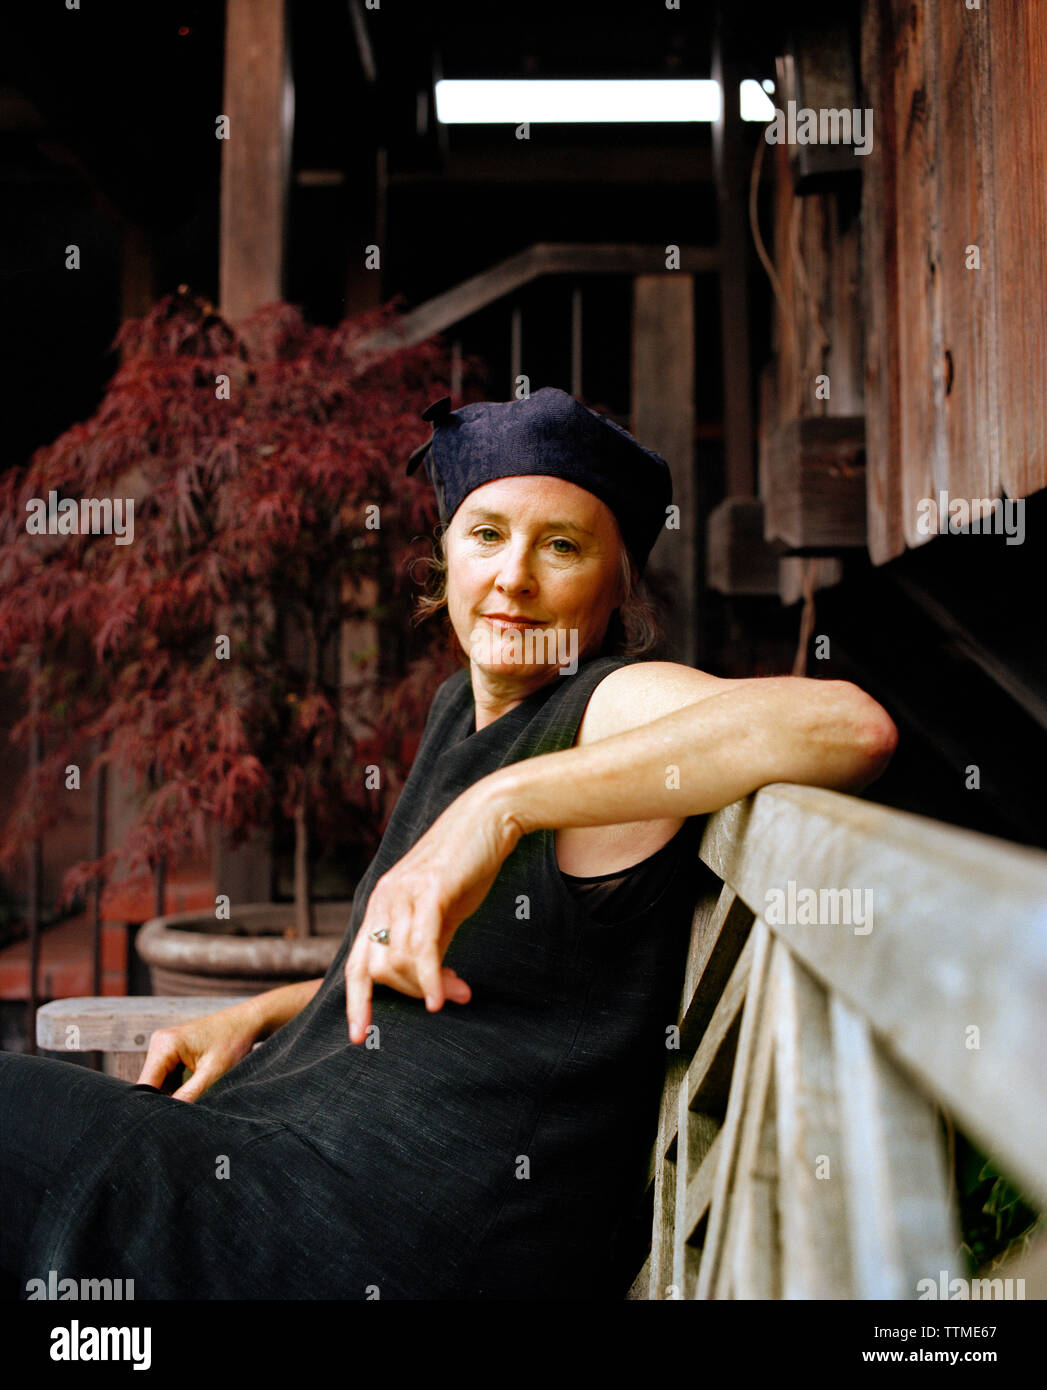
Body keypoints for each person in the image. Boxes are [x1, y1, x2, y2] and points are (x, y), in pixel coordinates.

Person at [0, 387, 896, 1300]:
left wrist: (496, 808)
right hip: (298, 1165)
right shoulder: (456, 712)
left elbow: (845, 726)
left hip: (386, 1230)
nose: (513, 577)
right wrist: (266, 1011)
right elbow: (484, 971)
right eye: (486, 536)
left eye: (562, 546)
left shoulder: (606, 706)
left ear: (617, 584)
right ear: (444, 561)